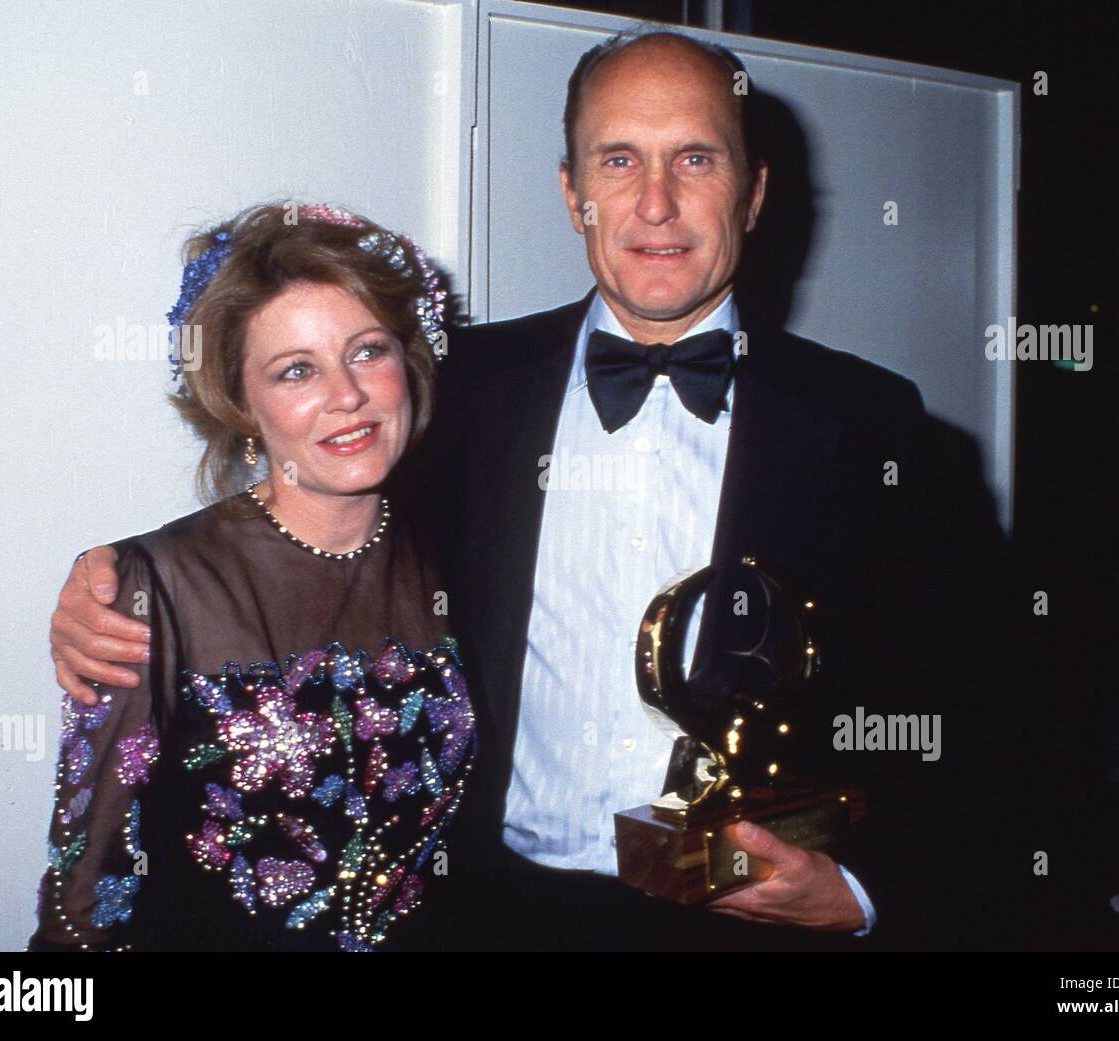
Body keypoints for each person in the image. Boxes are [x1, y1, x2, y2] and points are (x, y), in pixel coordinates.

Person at [49, 31, 1004, 950]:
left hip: (752, 920)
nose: (658, 205)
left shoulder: (876, 423)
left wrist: (867, 890)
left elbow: (984, 704)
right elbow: (308, 533)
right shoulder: (453, 392)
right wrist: (111, 589)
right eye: (619, 160)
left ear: (753, 194)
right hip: (493, 921)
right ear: (571, 192)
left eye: (698, 160)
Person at [29, 202, 476, 951]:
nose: (347, 394)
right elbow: (84, 903)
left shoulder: (460, 552)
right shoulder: (155, 588)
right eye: (296, 369)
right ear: (240, 402)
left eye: (368, 351)